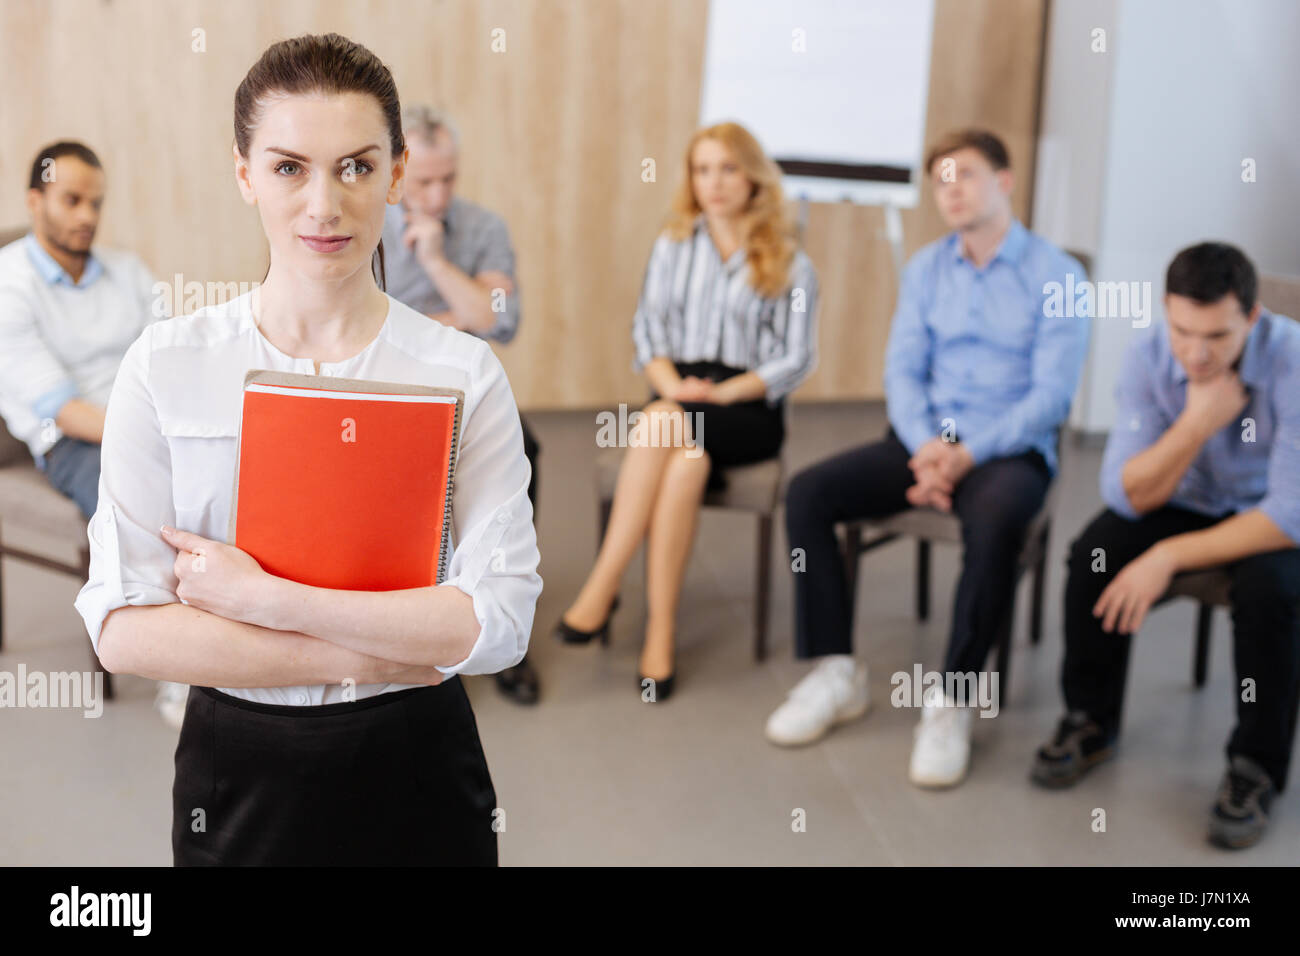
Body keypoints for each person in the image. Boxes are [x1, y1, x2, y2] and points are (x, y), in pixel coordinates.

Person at [73, 32, 541, 866]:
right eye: (289, 167)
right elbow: (123, 626)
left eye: (356, 167)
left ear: (397, 173)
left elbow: (499, 622)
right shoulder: (167, 364)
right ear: (245, 173)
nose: (324, 205)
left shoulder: (463, 373)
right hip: (239, 765)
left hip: (418, 760)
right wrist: (375, 649)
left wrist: (265, 601)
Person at [770, 129, 1090, 789]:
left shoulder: (1058, 275)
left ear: (1004, 181)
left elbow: (1051, 397)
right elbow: (902, 373)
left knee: (997, 520)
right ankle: (836, 670)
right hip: (925, 441)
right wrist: (928, 449)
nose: (952, 190)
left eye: (965, 175)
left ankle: (951, 699)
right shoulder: (924, 269)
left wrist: (967, 454)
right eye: (942, 180)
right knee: (808, 493)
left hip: (1008, 450)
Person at [1031, 242, 1300, 850]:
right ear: (1165, 310)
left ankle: (1255, 767)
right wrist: (1198, 422)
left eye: (1217, 336)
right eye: (1183, 331)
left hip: (1263, 516)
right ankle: (1090, 720)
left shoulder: (1292, 360)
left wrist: (1169, 556)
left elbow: (1290, 514)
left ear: (1252, 319)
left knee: (1272, 590)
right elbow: (1126, 496)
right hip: (1185, 498)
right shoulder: (1149, 354)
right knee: (1094, 556)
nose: (1196, 353)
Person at [552, 121, 818, 702]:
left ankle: (603, 585)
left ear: (753, 177)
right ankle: (661, 633)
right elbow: (648, 330)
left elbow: (796, 359)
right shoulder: (673, 244)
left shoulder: (790, 261)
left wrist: (718, 394)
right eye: (702, 170)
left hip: (746, 406)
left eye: (727, 169)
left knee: (663, 422)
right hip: (677, 393)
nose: (714, 183)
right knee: (686, 464)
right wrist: (675, 386)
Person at [0, 140, 189, 729]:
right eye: (72, 200)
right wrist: (146, 441)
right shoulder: (9, 283)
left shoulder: (127, 272)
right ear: (36, 201)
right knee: (152, 515)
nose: (87, 216)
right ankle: (179, 673)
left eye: (96, 203)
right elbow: (60, 406)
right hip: (72, 441)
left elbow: (173, 355)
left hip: (150, 422)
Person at [379, 103, 541, 706]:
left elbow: (499, 320)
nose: (439, 192)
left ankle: (504, 627)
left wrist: (438, 262)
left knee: (527, 451)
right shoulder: (365, 224)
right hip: (386, 399)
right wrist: (455, 317)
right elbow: (359, 330)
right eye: (424, 181)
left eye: (449, 178)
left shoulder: (483, 227)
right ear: (398, 172)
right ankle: (411, 630)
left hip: (468, 398)